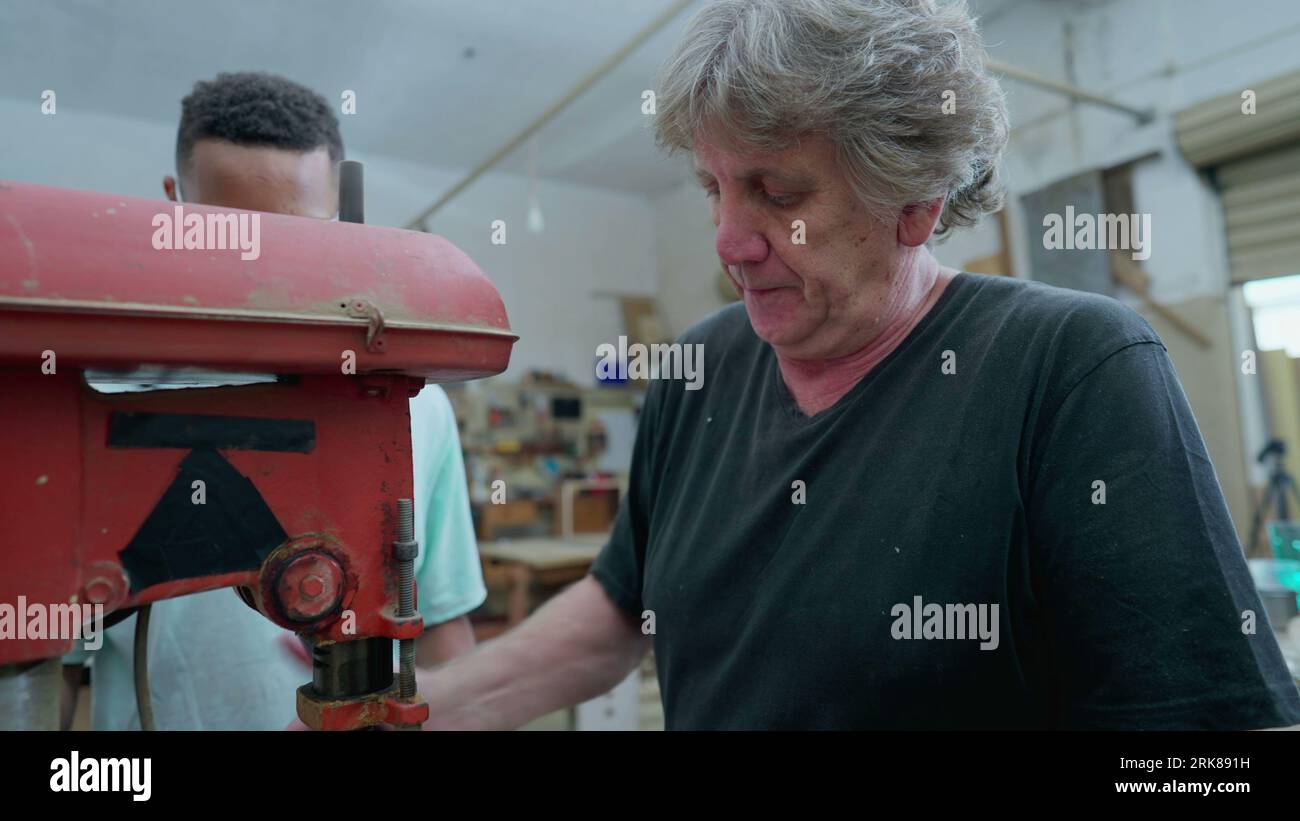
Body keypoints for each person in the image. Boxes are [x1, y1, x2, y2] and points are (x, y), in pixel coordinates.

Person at [415, 0, 1300, 730]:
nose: (728, 240)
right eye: (712, 187)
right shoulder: (702, 366)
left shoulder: (1071, 369)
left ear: (915, 198)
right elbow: (619, 608)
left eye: (778, 192)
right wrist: (414, 712)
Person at [62, 72, 483, 730]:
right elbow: (55, 668)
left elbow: (444, 629)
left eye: (295, 240)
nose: (262, 273)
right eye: (230, 237)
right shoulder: (91, 401)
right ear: (175, 207)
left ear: (343, 219)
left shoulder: (411, 407)